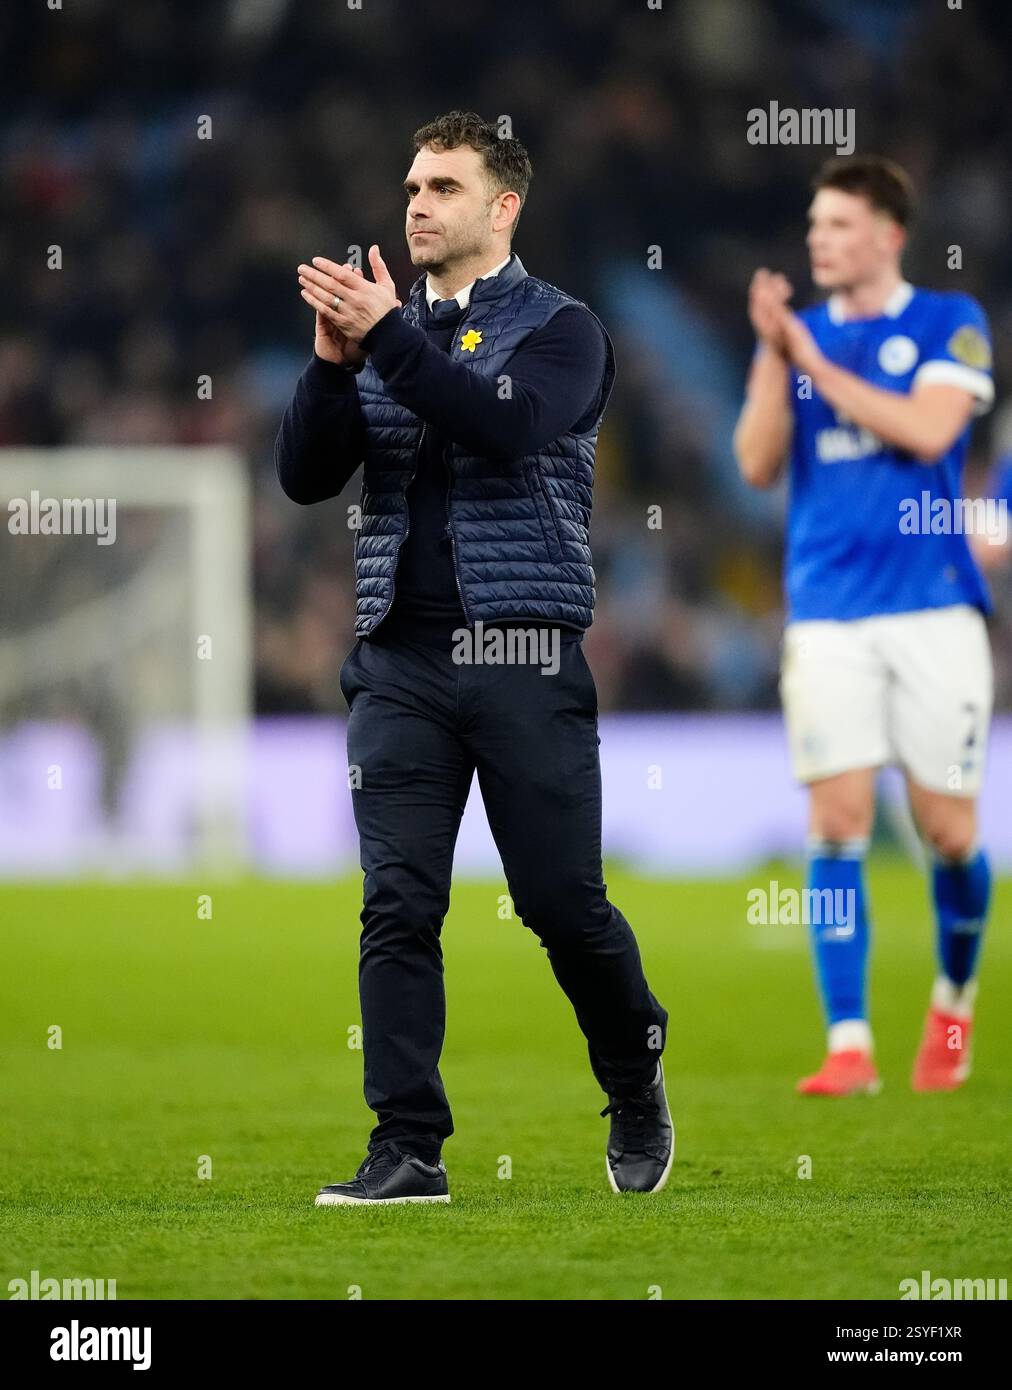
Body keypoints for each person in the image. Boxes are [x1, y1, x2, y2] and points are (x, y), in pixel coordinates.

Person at [276, 110, 671, 1201]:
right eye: (410, 184)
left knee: (559, 902)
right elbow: (308, 477)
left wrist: (387, 341)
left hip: (521, 655)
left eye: (442, 186)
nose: (415, 203)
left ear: (503, 208)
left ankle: (634, 1071)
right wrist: (327, 366)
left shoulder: (562, 330)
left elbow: (500, 424)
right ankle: (407, 1147)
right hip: (398, 657)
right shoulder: (379, 332)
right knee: (397, 902)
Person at [734, 156, 995, 1097]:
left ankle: (952, 1007)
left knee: (950, 834)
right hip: (829, 615)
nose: (818, 240)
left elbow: (927, 432)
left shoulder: (948, 322)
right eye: (813, 226)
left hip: (934, 610)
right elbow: (757, 463)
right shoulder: (797, 343)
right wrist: (774, 353)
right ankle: (849, 1044)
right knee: (837, 819)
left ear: (888, 234)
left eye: (838, 225)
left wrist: (810, 363)